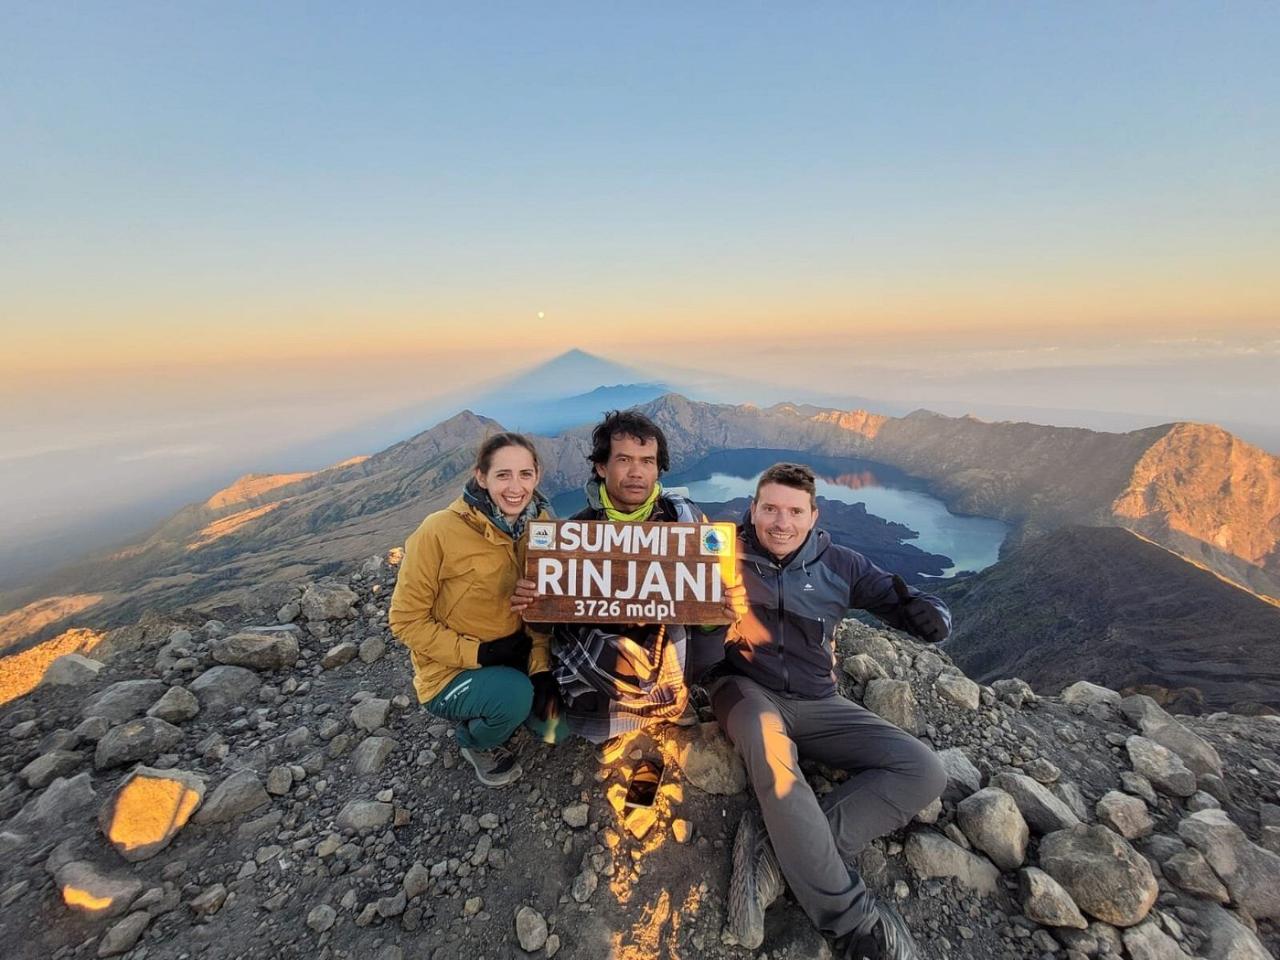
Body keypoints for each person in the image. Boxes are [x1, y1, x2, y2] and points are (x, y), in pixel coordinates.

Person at [711, 462, 949, 960]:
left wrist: (934, 616)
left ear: (814, 516)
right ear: (752, 510)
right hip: (744, 689)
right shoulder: (719, 553)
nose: (781, 522)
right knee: (770, 751)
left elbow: (902, 598)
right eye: (770, 509)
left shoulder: (841, 564)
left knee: (924, 770)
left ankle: (781, 855)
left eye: (795, 512)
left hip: (819, 700)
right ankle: (850, 923)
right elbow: (653, 588)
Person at [517, 409, 724, 747]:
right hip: (604, 658)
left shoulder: (684, 523)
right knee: (551, 728)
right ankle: (623, 713)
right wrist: (534, 603)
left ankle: (665, 700)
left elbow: (706, 615)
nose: (636, 472)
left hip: (669, 649)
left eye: (647, 461)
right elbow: (549, 620)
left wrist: (720, 610)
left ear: (658, 469)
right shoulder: (574, 535)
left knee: (703, 642)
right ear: (602, 467)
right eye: (624, 460)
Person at [389, 433, 556, 788]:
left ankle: (510, 698)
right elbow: (405, 621)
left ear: (537, 476)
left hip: (516, 655)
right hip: (449, 671)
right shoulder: (438, 531)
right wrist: (481, 653)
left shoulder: (542, 525)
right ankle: (473, 741)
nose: (516, 487)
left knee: (555, 726)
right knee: (513, 698)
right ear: (481, 476)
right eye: (503, 475)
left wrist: (541, 669)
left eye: (525, 474)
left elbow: (539, 606)